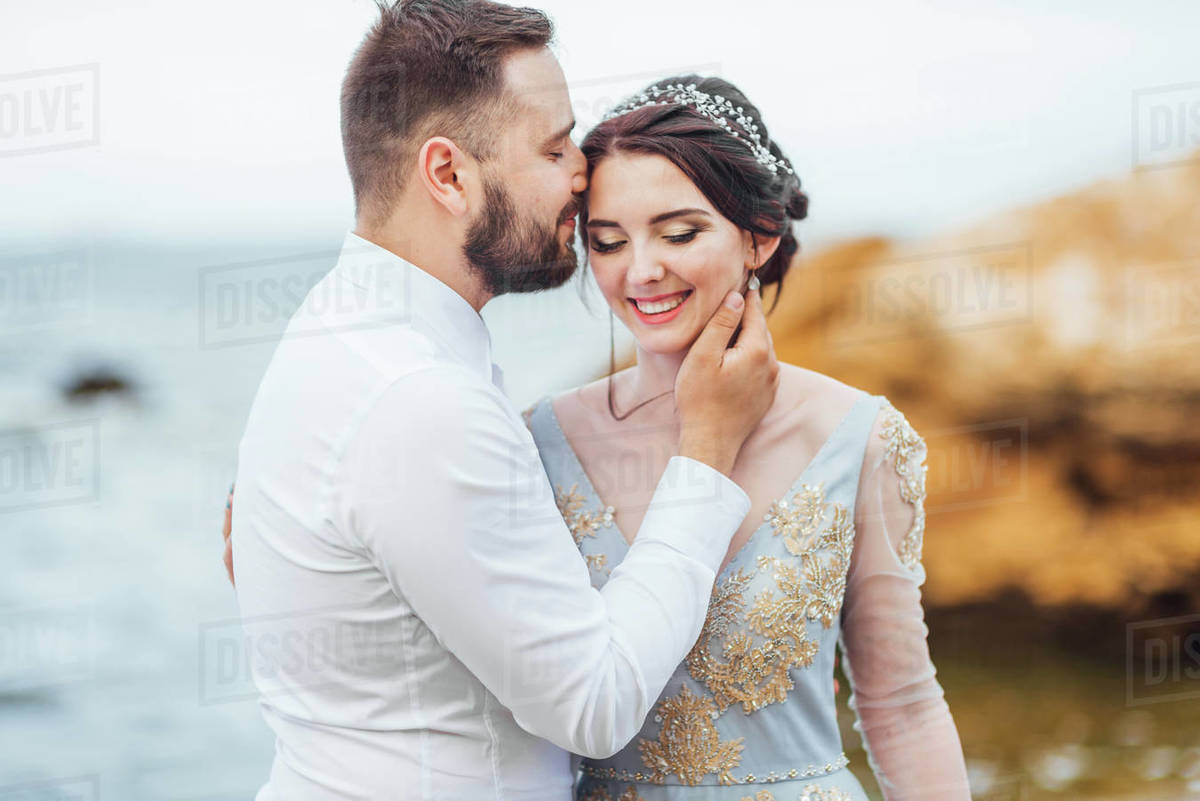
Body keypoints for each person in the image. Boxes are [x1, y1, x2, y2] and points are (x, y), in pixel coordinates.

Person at [226, 2, 778, 799]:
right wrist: (709, 447)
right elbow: (594, 702)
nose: (584, 175)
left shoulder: (344, 328)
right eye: (555, 148)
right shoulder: (417, 398)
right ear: (448, 174)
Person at [520, 76, 972, 800]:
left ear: (759, 236)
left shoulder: (859, 438)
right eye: (607, 242)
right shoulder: (540, 442)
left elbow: (904, 705)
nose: (641, 270)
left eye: (679, 233)